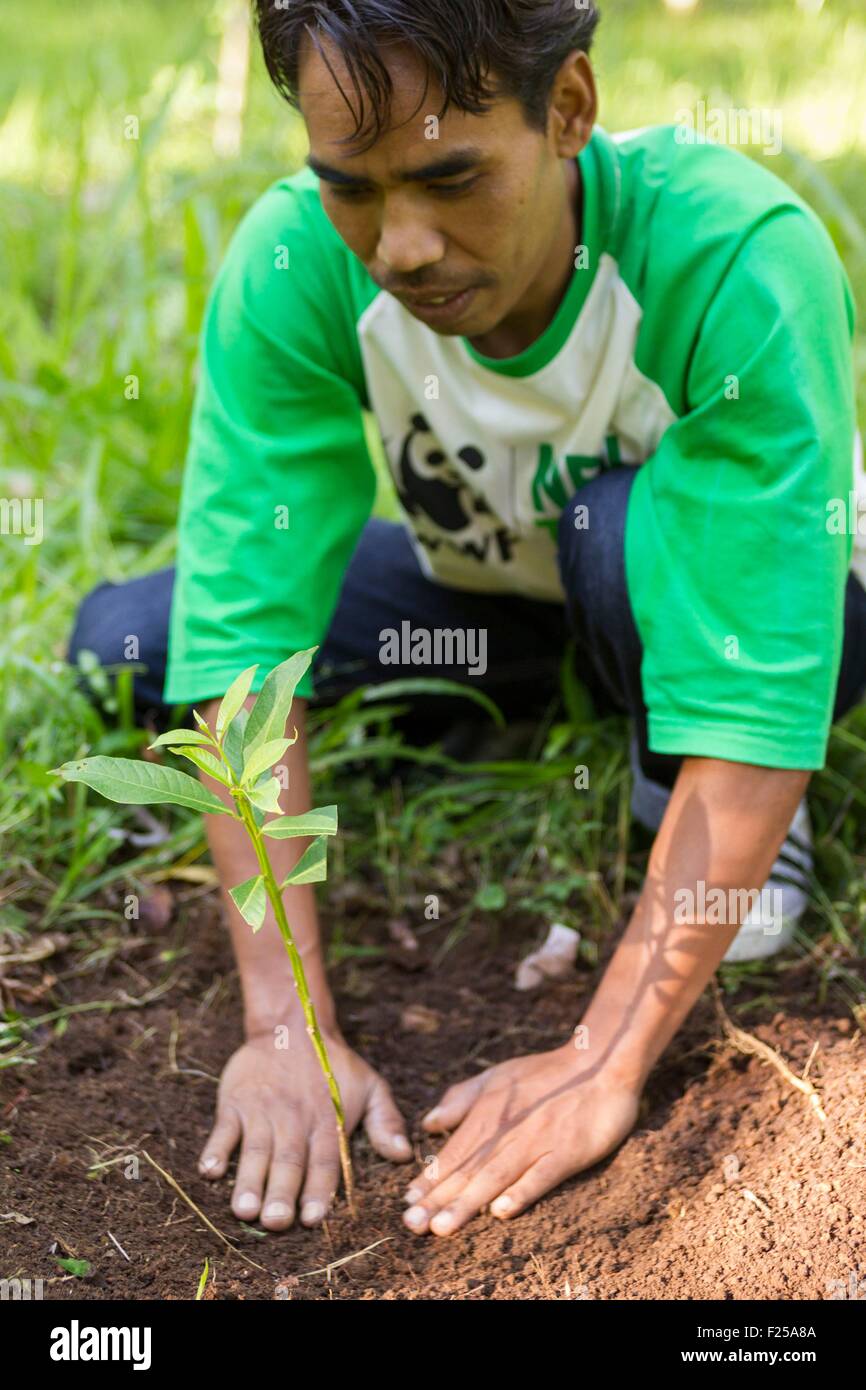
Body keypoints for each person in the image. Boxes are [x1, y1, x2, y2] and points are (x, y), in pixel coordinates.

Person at [70, 0, 866, 1239]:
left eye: (448, 178)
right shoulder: (296, 262)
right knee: (132, 637)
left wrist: (603, 1061)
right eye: (351, 185)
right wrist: (288, 1025)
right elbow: (244, 642)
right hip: (502, 589)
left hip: (745, 608)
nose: (398, 244)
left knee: (608, 536)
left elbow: (760, 671)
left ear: (567, 110)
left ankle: (704, 800)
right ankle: (531, 709)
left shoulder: (731, 249)